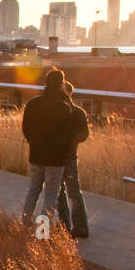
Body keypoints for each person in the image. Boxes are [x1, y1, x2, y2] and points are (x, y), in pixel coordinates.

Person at [21, 68, 76, 227]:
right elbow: (67, 136)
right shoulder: (64, 108)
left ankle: (25, 222)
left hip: (36, 155)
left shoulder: (33, 104)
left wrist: (34, 143)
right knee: (50, 195)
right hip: (55, 159)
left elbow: (26, 129)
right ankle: (43, 231)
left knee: (34, 189)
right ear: (61, 84)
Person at [56, 82, 91, 238]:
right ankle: (65, 227)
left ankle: (79, 227)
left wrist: (69, 139)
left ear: (70, 93)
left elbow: (84, 134)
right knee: (61, 193)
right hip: (58, 157)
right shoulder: (57, 110)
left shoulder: (77, 112)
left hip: (69, 157)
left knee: (73, 192)